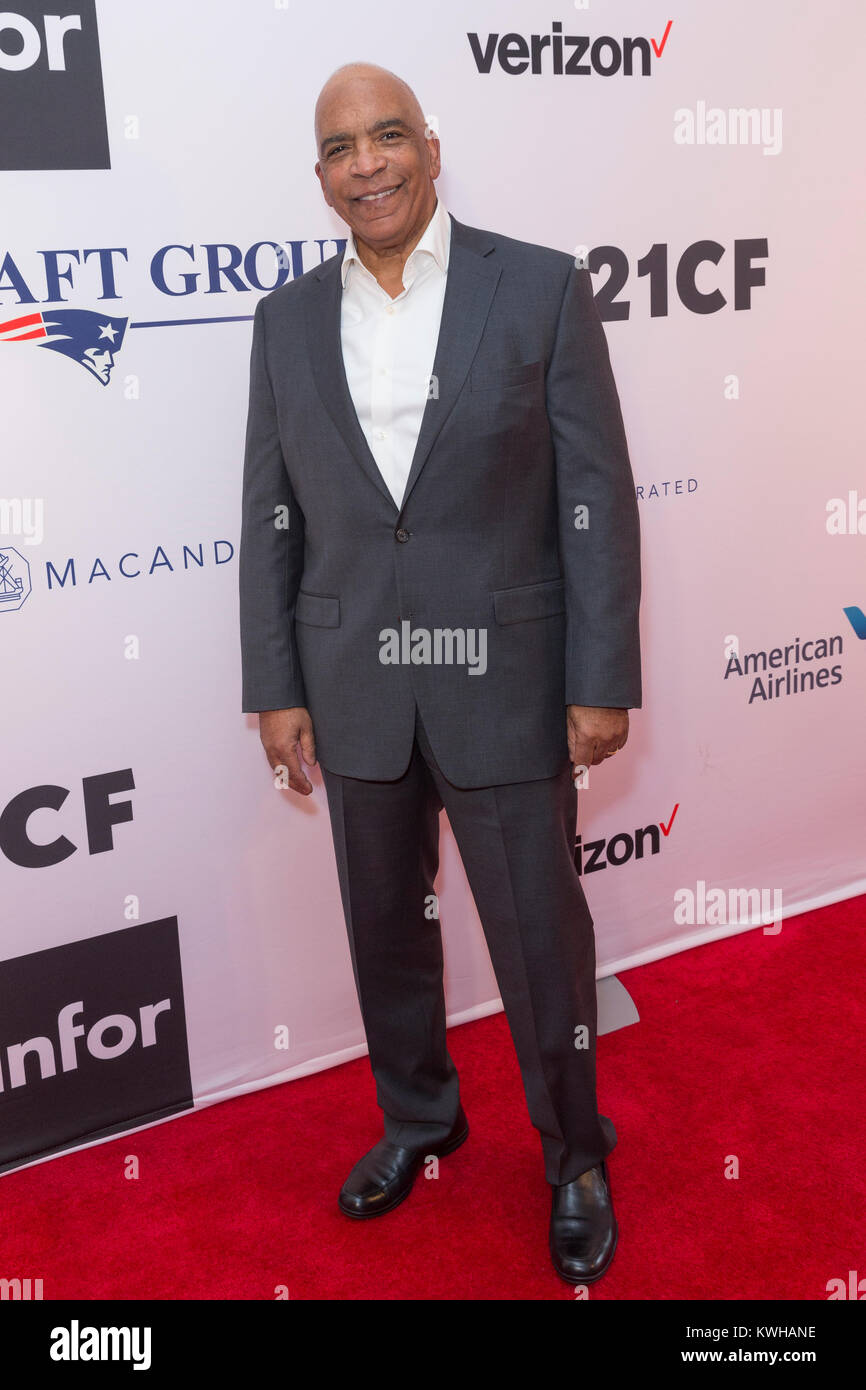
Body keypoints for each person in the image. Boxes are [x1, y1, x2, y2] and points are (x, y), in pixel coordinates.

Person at [238, 61, 641, 1285]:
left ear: (429, 144)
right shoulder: (285, 319)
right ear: (319, 180)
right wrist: (274, 684)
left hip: (505, 678)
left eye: (387, 136)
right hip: (350, 678)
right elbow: (270, 510)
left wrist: (600, 674)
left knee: (537, 938)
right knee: (384, 932)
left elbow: (596, 497)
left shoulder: (537, 287)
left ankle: (572, 1150)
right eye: (341, 150)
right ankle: (419, 1118)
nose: (367, 164)